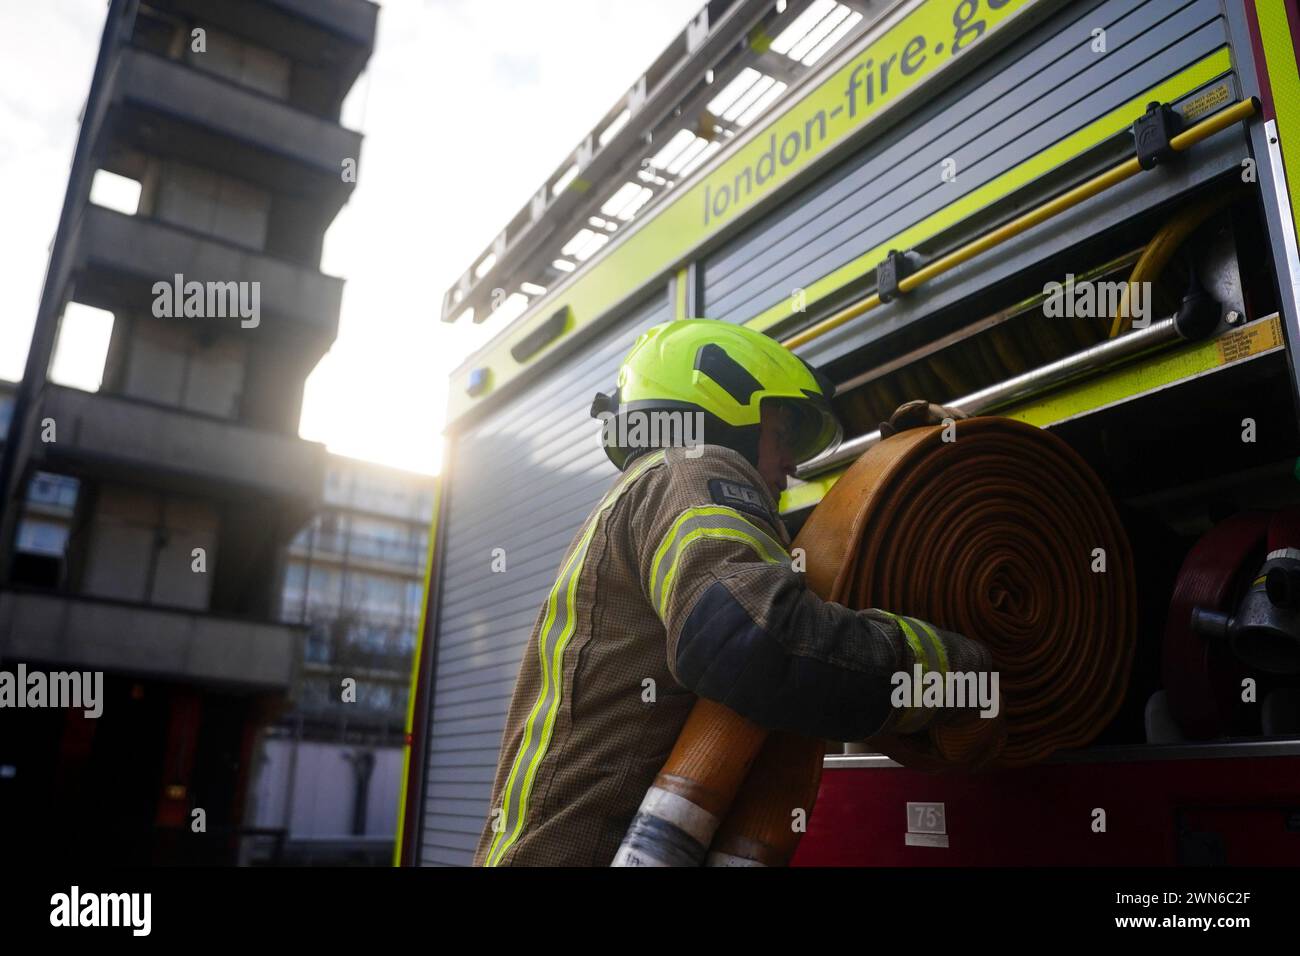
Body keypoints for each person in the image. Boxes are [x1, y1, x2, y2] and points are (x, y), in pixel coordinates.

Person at [474, 319, 993, 867]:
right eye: (784, 433)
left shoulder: (646, 493)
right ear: (726, 404)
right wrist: (955, 672)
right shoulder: (693, 467)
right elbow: (756, 640)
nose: (793, 464)